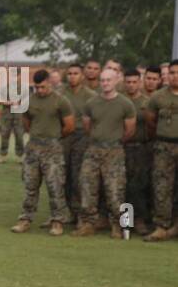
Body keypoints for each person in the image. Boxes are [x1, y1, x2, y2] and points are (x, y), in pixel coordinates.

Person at [73, 66, 135, 239]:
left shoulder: (125, 104)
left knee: (115, 191)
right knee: (87, 187)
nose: (105, 83)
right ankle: (88, 224)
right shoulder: (91, 103)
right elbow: (87, 126)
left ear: (116, 81)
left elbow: (129, 130)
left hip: (114, 151)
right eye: (103, 80)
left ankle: (117, 225)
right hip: (93, 150)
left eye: (109, 80)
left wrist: (114, 141)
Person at [11, 69, 74, 235]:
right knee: (30, 185)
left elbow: (69, 126)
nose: (40, 90)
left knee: (55, 186)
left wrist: (54, 137)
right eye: (37, 87)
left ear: (50, 83)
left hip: (53, 148)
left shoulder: (61, 101)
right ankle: (25, 219)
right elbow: (26, 123)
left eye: (43, 87)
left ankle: (57, 221)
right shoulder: (29, 101)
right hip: (33, 147)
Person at [143, 60, 178, 242]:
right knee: (162, 187)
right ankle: (161, 226)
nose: (175, 76)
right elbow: (151, 122)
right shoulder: (158, 97)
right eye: (172, 72)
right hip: (164, 146)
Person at [60, 63, 93, 224]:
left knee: (78, 175)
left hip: (82, 136)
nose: (72, 76)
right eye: (70, 73)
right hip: (64, 136)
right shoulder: (60, 93)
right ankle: (65, 212)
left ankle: (80, 212)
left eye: (75, 73)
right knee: (62, 175)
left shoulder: (90, 95)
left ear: (82, 76)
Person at [122, 68, 153, 234]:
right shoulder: (119, 101)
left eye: (134, 82)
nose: (131, 85)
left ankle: (140, 220)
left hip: (141, 148)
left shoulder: (147, 102)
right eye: (128, 82)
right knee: (123, 185)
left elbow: (152, 125)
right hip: (121, 148)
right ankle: (125, 221)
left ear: (139, 83)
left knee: (140, 185)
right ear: (124, 83)